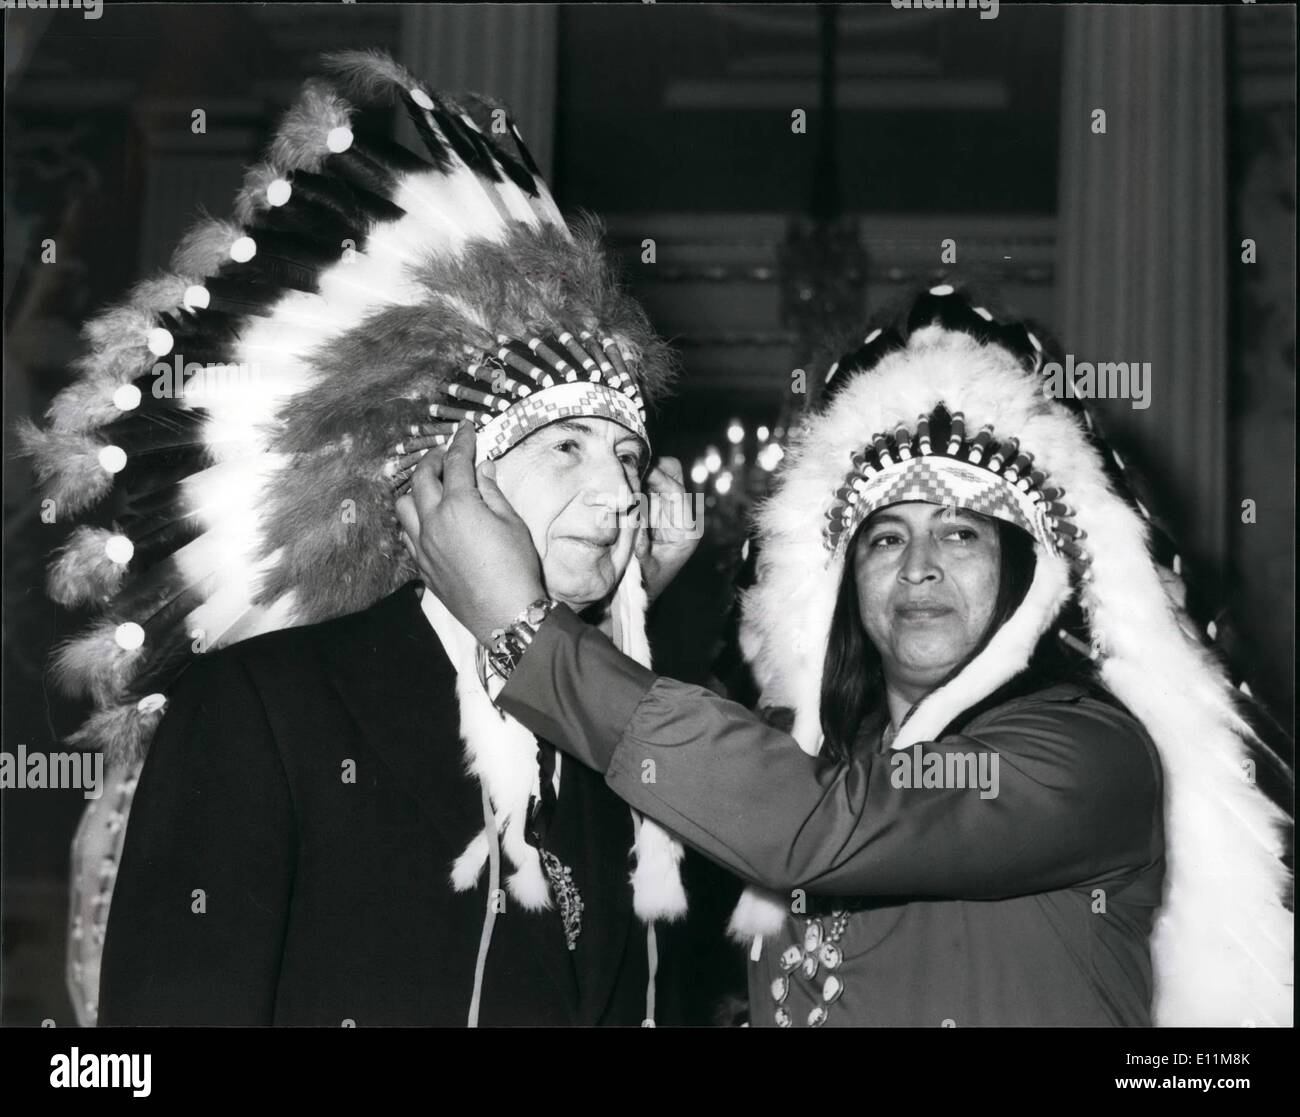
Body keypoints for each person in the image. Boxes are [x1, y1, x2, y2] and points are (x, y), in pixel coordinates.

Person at [22, 50, 703, 1026]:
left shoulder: (606, 748)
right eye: (567, 447)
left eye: (631, 457)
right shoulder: (264, 708)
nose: (621, 491)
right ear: (449, 476)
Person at [398, 285, 1294, 1027]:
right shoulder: (810, 752)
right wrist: (626, 610)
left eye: (961, 533)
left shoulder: (1085, 753)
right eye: (885, 538)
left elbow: (809, 823)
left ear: (1026, 573)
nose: (919, 567)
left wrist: (524, 629)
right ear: (846, 579)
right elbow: (637, 840)